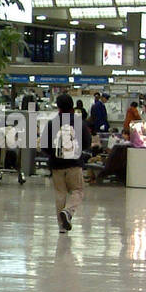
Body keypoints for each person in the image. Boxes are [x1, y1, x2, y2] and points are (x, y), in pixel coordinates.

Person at [41, 94, 90, 233]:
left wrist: (53, 154)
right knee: (78, 191)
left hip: (56, 165)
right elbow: (87, 143)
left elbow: (44, 145)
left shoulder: (52, 124)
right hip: (74, 163)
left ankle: (62, 227)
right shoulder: (79, 123)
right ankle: (68, 212)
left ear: (58, 107)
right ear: (72, 107)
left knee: (60, 193)